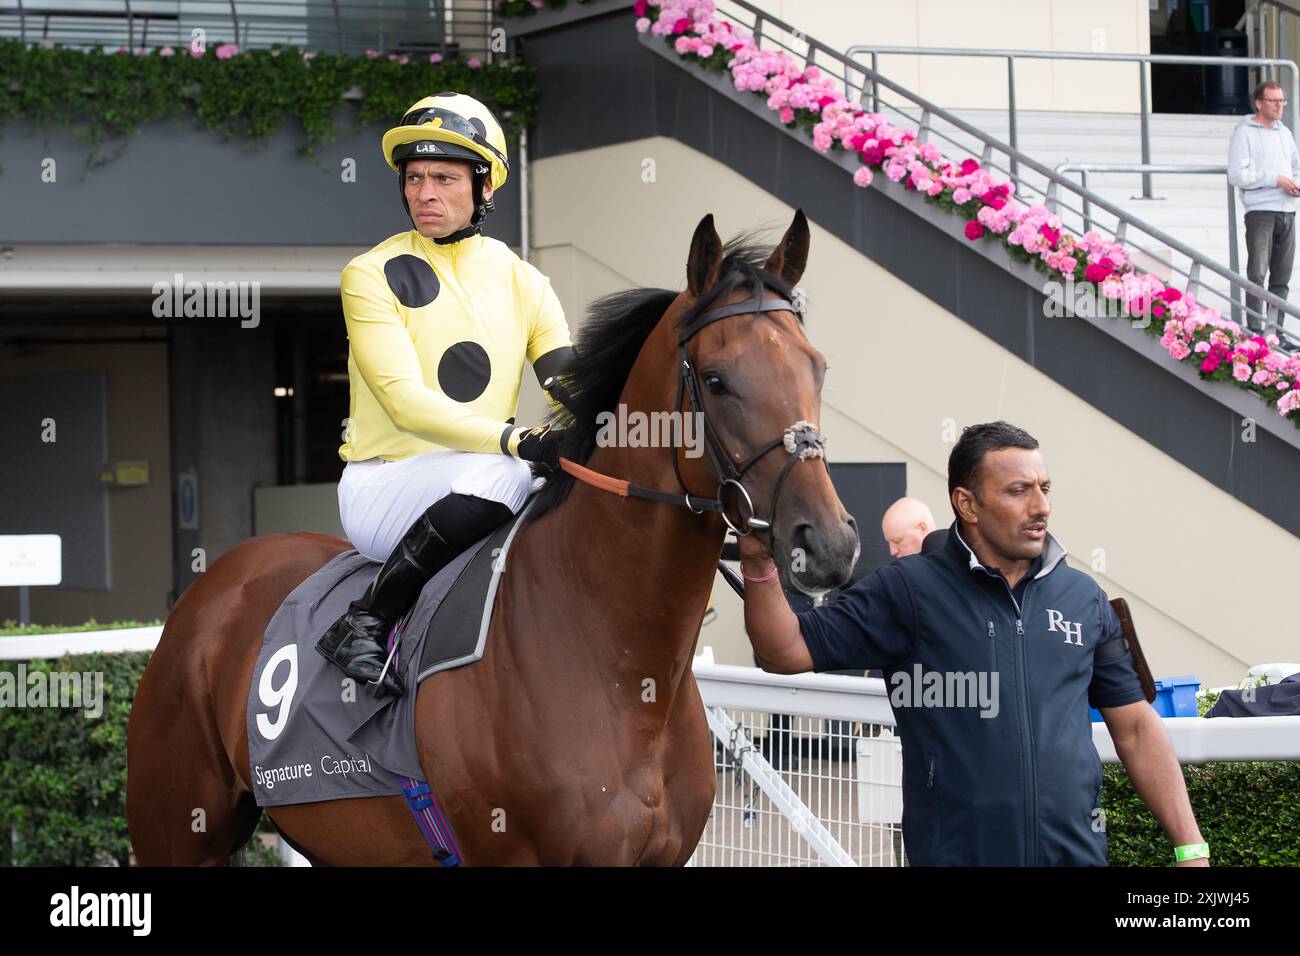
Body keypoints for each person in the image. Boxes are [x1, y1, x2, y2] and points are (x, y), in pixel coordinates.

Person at [737, 421, 1209, 866]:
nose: (1040, 506)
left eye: (1044, 488)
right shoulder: (908, 590)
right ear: (968, 504)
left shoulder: (1085, 599)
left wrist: (1191, 849)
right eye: (1018, 491)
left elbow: (1136, 729)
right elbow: (785, 650)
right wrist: (759, 565)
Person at [316, 92, 576, 698]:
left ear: (484, 187)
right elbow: (406, 403)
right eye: (414, 178)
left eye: (443, 178)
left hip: (478, 471)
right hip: (387, 486)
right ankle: (366, 617)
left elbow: (571, 386)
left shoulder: (526, 281)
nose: (423, 193)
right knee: (508, 475)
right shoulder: (370, 273)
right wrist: (516, 440)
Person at [1228, 81, 1300, 336]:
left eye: (1282, 100)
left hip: (1287, 210)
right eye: (1273, 100)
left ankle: (1276, 332)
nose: (1279, 105)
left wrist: (1295, 184)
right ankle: (1255, 330)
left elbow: (1295, 168)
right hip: (1260, 211)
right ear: (1259, 103)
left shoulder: (1285, 133)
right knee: (1257, 273)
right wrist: (1275, 180)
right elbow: (1237, 174)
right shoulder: (1244, 132)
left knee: (1281, 277)